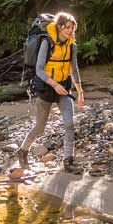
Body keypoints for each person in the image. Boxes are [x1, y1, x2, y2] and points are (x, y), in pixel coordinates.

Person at [16, 12, 84, 172]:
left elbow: (74, 70)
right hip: (46, 88)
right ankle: (23, 151)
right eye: (68, 28)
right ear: (60, 27)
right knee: (40, 127)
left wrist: (80, 92)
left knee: (70, 124)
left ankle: (68, 161)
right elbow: (39, 70)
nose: (70, 31)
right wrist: (54, 85)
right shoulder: (47, 43)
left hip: (63, 88)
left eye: (73, 28)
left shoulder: (72, 46)